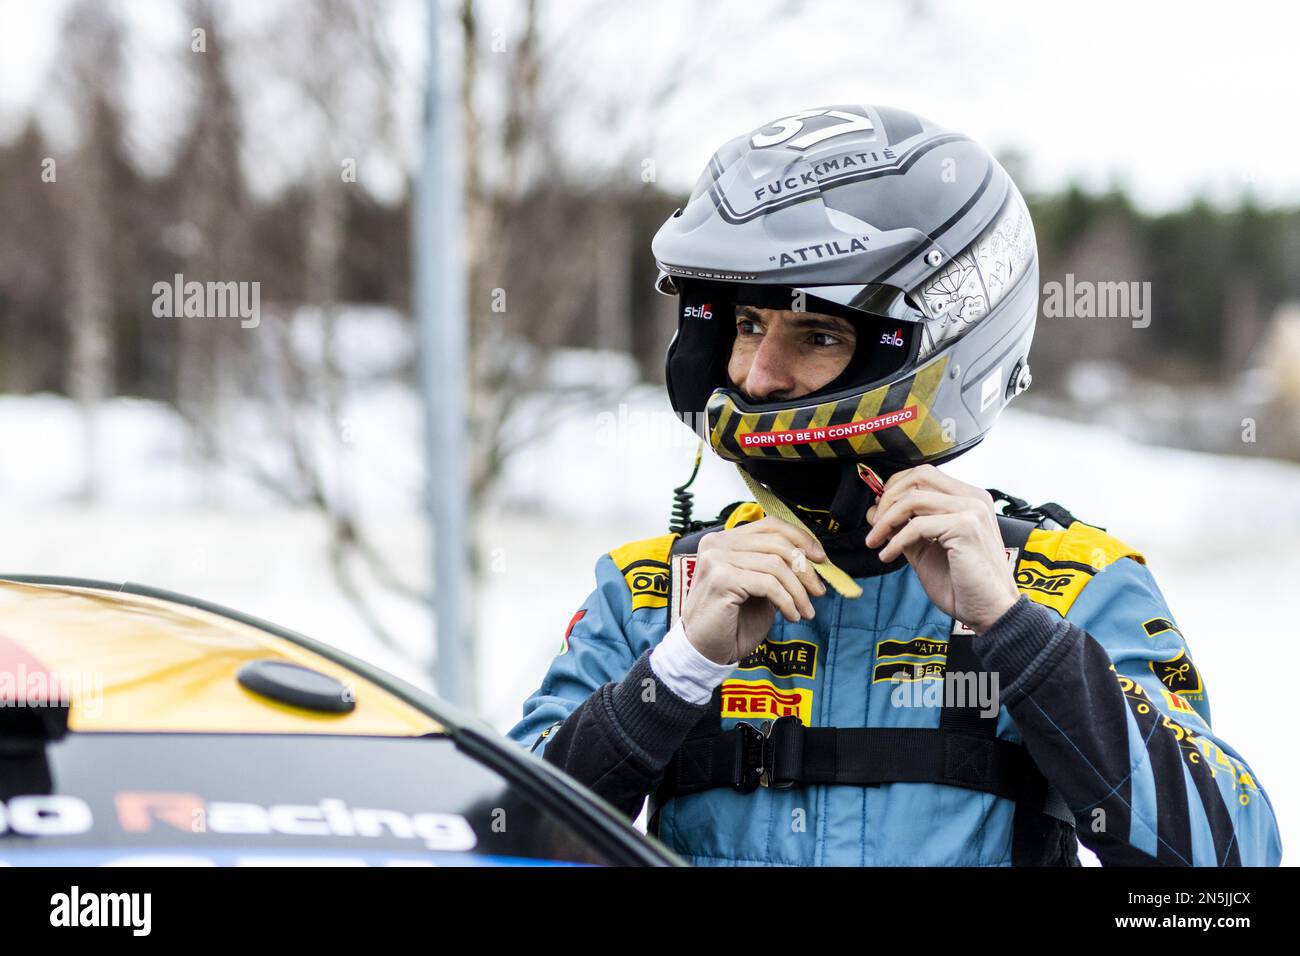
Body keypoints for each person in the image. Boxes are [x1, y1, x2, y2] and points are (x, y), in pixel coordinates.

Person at [507, 104, 1283, 866]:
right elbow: (496, 837)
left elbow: (1229, 866)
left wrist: (1015, 633)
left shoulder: (1070, 585)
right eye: (746, 326)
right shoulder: (654, 593)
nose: (759, 376)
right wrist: (679, 670)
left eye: (815, 335)